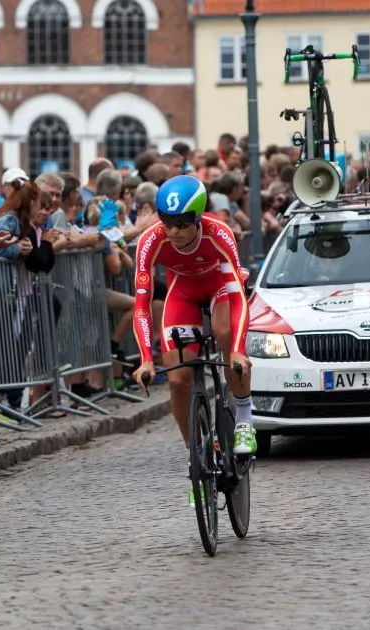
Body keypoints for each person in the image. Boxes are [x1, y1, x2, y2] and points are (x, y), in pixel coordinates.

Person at [129, 175, 256, 504]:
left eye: (183, 224)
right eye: (167, 222)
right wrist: (145, 358)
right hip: (182, 294)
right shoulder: (150, 240)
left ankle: (243, 416)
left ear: (198, 219)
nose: (174, 231)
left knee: (225, 334)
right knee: (178, 381)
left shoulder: (219, 234)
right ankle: (197, 457)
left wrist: (239, 351)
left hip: (219, 289)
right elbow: (141, 305)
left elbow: (237, 295)